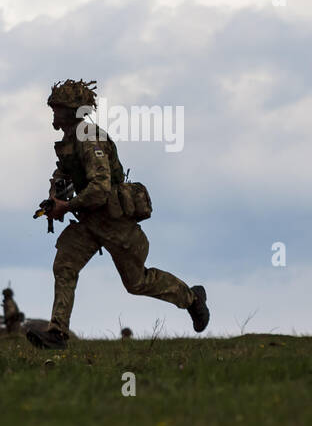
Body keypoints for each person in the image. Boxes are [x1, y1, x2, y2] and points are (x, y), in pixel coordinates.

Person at [30, 79, 208, 349]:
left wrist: (68, 206)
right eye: (52, 107)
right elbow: (64, 175)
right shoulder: (69, 140)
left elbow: (100, 189)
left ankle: (191, 299)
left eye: (58, 108)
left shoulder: (89, 137)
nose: (53, 113)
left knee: (137, 282)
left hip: (115, 222)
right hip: (89, 223)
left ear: (71, 110)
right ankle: (57, 333)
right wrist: (54, 200)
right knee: (65, 266)